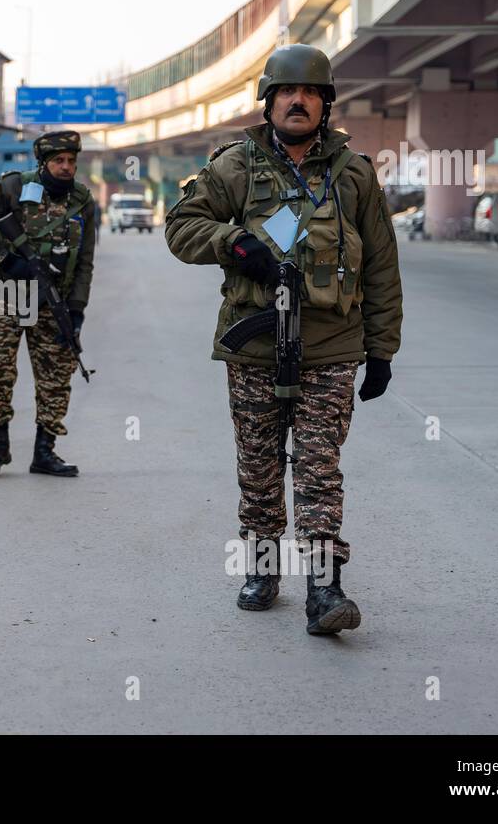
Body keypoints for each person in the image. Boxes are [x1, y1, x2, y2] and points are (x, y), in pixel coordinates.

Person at [164, 44, 403, 635]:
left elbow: (380, 265)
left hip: (331, 344)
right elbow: (181, 228)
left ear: (325, 104)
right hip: (255, 346)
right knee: (260, 467)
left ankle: (325, 590)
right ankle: (263, 567)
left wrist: (381, 349)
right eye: (287, 92)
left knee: (319, 467)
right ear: (269, 101)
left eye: (311, 92)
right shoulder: (233, 167)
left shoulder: (354, 175)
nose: (299, 101)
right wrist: (234, 243)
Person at [0, 130, 95, 478]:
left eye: (71, 162)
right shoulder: (14, 187)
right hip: (10, 294)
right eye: (59, 161)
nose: (66, 168)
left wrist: (76, 310)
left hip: (54, 300)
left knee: (56, 375)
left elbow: (85, 262)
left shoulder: (82, 201)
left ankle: (45, 452)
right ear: (44, 163)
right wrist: (5, 258)